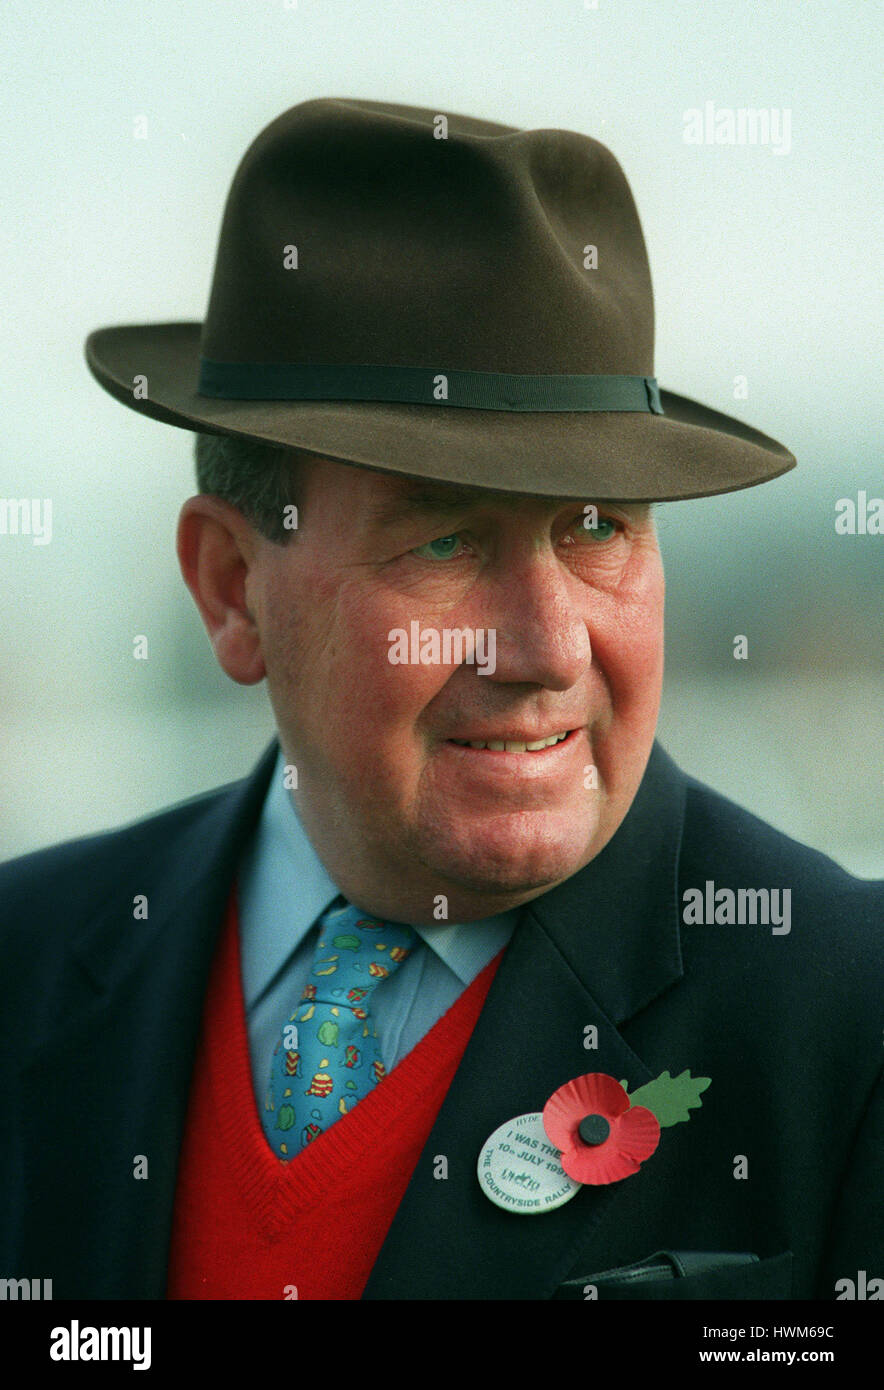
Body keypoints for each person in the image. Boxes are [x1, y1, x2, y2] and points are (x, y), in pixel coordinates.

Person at [1, 97, 880, 1302]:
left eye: (594, 527)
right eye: (446, 539)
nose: (545, 644)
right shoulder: (26, 964)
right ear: (231, 590)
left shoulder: (847, 1023)